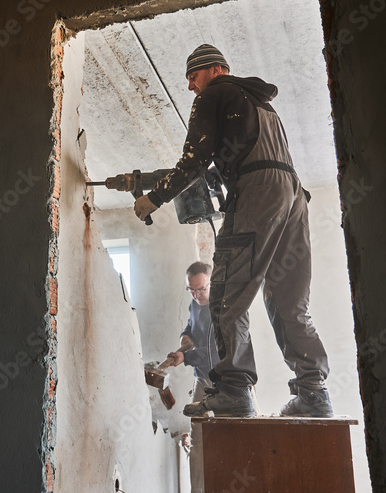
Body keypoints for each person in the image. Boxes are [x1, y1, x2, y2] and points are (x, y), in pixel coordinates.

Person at [135, 44, 332, 418]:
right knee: (289, 302)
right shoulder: (262, 104)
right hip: (292, 196)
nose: (191, 86)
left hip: (257, 194)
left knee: (225, 295)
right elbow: (249, 156)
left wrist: (155, 197)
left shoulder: (213, 94)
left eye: (193, 76)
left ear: (215, 70)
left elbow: (194, 159)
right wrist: (217, 175)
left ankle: (235, 390)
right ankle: (314, 393)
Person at [165, 261, 219, 493]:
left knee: (239, 438)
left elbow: (212, 353)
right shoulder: (195, 303)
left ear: (211, 282)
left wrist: (184, 357)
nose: (196, 295)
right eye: (191, 290)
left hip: (229, 383)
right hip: (202, 381)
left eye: (201, 289)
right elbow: (191, 328)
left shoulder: (221, 307)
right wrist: (185, 338)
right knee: (198, 444)